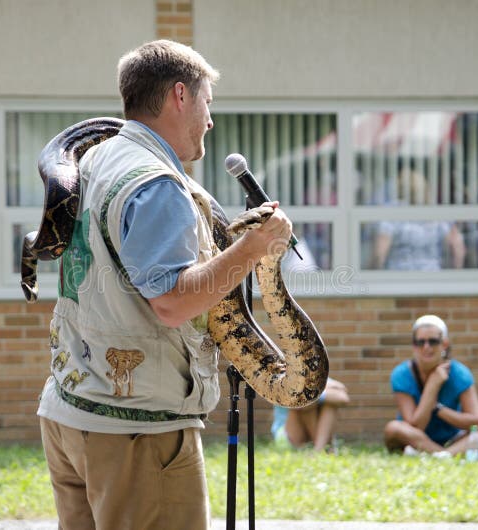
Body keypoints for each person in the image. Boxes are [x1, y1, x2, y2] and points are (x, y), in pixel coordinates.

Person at [36, 40, 294, 530]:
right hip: (136, 435)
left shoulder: (95, 160)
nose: (211, 120)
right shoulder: (156, 184)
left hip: (70, 411)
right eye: (207, 102)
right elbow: (173, 303)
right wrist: (254, 248)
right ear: (180, 95)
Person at [383, 315, 478, 457]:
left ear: (444, 344)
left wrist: (438, 409)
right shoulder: (402, 374)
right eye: (420, 342)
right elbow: (416, 427)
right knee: (393, 428)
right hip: (415, 439)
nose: (426, 347)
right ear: (414, 346)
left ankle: (443, 455)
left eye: (433, 341)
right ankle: (444, 454)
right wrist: (433, 385)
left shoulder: (460, 373)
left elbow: (477, 423)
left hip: (454, 440)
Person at [271, 376, 349, 452]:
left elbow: (343, 397)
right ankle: (324, 448)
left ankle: (319, 450)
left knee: (329, 405)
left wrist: (313, 393)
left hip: (311, 434)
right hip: (287, 435)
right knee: (306, 403)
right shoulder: (282, 377)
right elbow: (300, 398)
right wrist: (322, 391)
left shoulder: (317, 374)